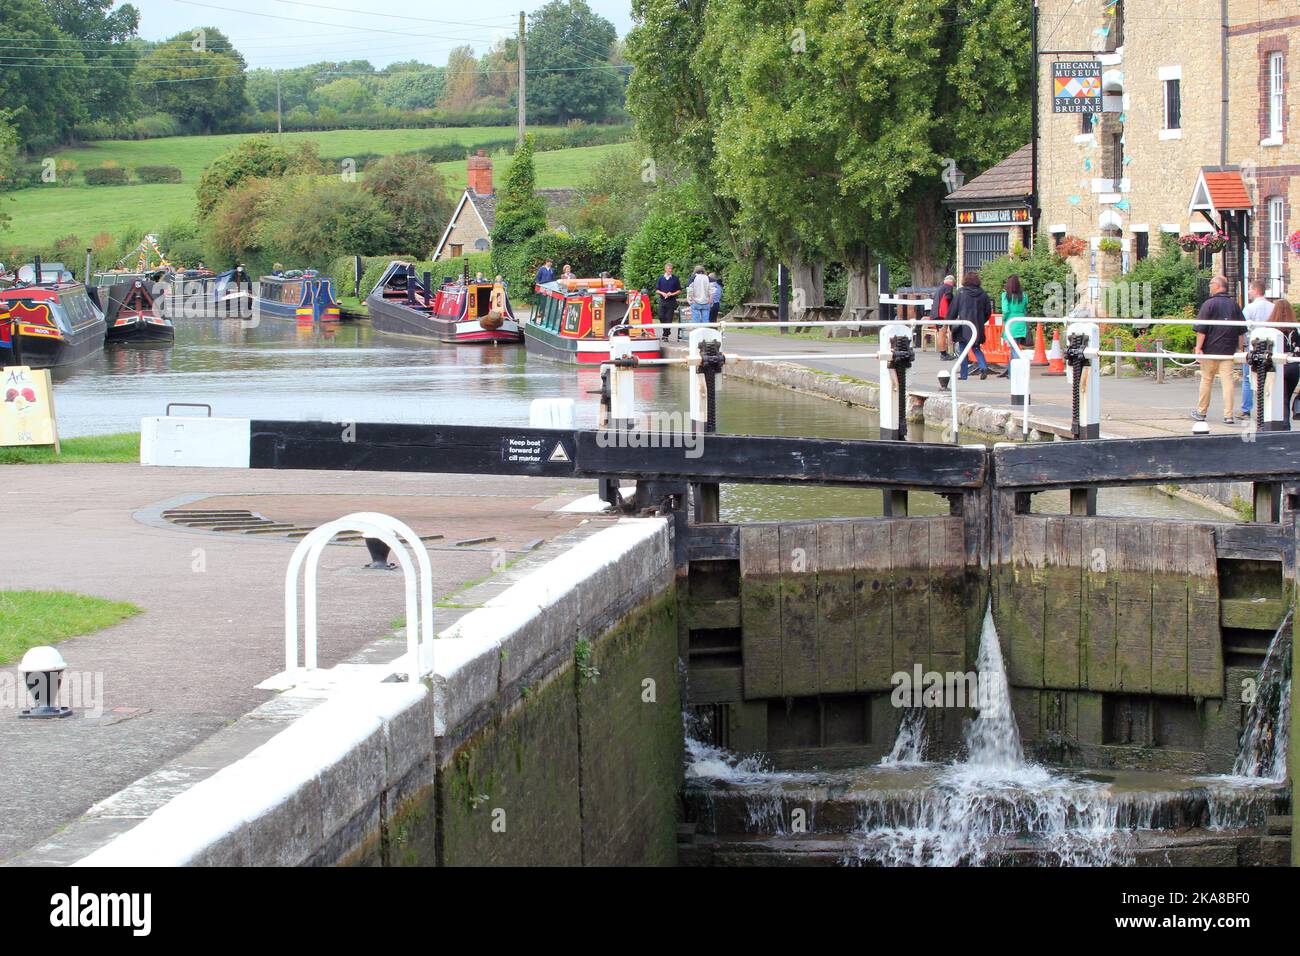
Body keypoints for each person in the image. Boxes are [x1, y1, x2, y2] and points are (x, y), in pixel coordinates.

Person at [1192, 275, 1246, 425]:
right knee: (1228, 382)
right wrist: (1241, 348)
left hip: (1210, 350)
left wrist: (1198, 348)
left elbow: (1201, 329)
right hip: (1228, 350)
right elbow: (1241, 330)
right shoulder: (1234, 305)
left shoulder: (1209, 304)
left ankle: (1201, 412)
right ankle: (1228, 415)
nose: (1209, 287)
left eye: (1211, 284)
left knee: (1206, 380)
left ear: (1217, 286)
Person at [1240, 280, 1273, 417]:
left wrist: (1242, 346)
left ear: (1255, 290)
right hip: (1271, 348)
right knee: (1271, 378)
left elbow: (1243, 329)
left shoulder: (1249, 309)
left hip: (1253, 347)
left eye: (1250, 289)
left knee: (1248, 378)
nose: (1248, 292)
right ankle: (1268, 408)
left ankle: (1246, 409)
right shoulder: (1273, 307)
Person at [950, 271, 991, 380]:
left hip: (963, 327)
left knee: (963, 350)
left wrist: (950, 321)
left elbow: (953, 309)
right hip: (977, 325)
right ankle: (983, 366)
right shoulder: (983, 293)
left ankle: (964, 375)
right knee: (976, 348)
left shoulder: (961, 292)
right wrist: (982, 320)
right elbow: (988, 311)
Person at [1268, 299, 1300, 420]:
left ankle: (1283, 427)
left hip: (1279, 366)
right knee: (1287, 397)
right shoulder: (1295, 329)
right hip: (1293, 367)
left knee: (1282, 399)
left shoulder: (1271, 328)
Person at [654, 262, 681, 340]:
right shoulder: (661, 278)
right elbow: (656, 290)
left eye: (671, 269)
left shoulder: (675, 279)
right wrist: (662, 293)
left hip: (671, 301)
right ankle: (666, 331)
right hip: (662, 300)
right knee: (661, 316)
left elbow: (679, 290)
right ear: (665, 269)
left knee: (669, 318)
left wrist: (671, 294)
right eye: (669, 269)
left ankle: (665, 335)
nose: (670, 270)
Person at [933, 275, 956, 360]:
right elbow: (948, 298)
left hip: (936, 313)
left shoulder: (940, 288)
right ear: (952, 282)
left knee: (940, 333)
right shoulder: (948, 287)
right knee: (942, 333)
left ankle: (943, 353)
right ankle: (943, 354)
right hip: (942, 314)